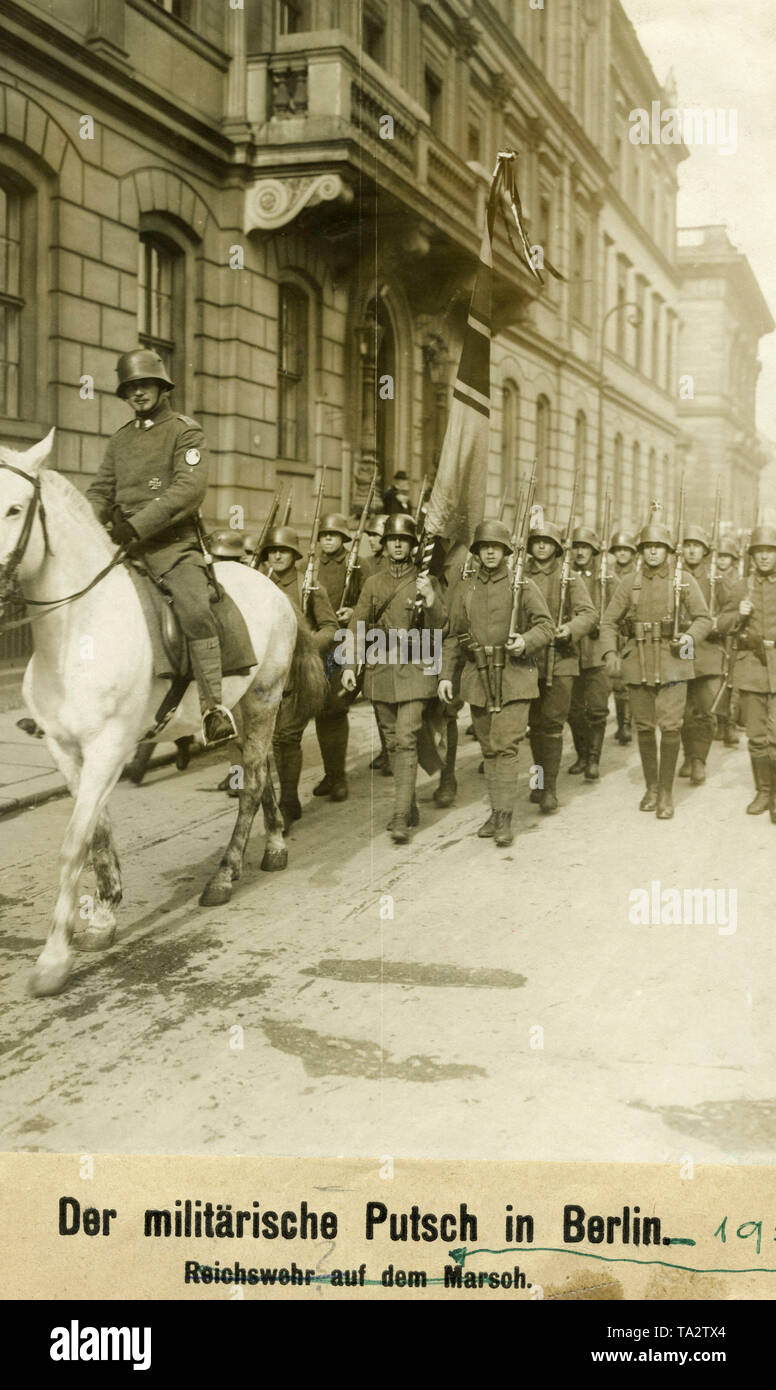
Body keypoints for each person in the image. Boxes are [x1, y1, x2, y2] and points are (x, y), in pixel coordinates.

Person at [86, 348, 235, 746]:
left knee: (194, 607)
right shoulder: (120, 440)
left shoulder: (185, 431)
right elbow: (101, 488)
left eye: (144, 384)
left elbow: (187, 490)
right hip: (126, 549)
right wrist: (87, 521)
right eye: (130, 387)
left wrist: (137, 525)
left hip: (173, 546)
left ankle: (213, 707)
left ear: (161, 385)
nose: (138, 394)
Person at [439, 520, 553, 846]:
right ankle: (496, 810)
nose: (490, 552)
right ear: (476, 552)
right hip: (477, 677)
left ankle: (504, 817)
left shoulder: (523, 586)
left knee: (505, 747)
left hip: (514, 676)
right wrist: (447, 676)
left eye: (496, 547)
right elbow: (451, 637)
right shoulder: (465, 588)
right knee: (489, 748)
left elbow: (546, 626)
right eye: (484, 547)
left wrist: (525, 641)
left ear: (506, 551)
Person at [341, 514, 446, 843]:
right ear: (384, 545)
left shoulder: (425, 580)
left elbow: (442, 626)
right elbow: (358, 623)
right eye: (392, 540)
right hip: (380, 670)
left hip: (415, 669)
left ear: (413, 545)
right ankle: (408, 803)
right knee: (392, 742)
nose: (398, 544)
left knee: (407, 738)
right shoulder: (373, 583)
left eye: (404, 540)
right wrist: (348, 665)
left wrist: (430, 600)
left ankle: (400, 815)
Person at [599, 522, 711, 819]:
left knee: (671, 727)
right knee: (645, 728)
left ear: (667, 551)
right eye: (647, 547)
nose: (652, 552)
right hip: (638, 662)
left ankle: (666, 792)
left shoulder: (683, 580)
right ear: (641, 551)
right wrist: (610, 652)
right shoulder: (629, 584)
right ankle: (650, 787)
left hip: (673, 662)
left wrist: (688, 638)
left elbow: (704, 619)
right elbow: (608, 622)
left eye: (658, 547)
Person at [260, 526, 339, 831]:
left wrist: (302, 645)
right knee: (265, 740)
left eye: (283, 551)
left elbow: (331, 628)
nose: (277, 555)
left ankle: (289, 802)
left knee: (286, 738)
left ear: (294, 556)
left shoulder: (311, 588)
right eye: (272, 551)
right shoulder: (260, 585)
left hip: (298, 674)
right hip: (266, 675)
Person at [525, 519, 596, 814]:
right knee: (534, 725)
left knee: (553, 725)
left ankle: (549, 789)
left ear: (556, 547)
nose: (542, 546)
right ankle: (538, 780)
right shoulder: (520, 574)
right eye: (537, 541)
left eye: (548, 542)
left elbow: (589, 613)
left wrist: (570, 628)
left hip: (561, 659)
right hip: (528, 661)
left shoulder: (569, 577)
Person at [717, 526, 776, 820]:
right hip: (752, 667)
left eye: (770, 550)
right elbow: (721, 623)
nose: (764, 556)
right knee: (756, 736)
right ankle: (763, 791)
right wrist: (738, 614)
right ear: (752, 555)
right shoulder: (742, 586)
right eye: (759, 551)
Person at [677, 524, 725, 785]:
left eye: (698, 546)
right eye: (688, 545)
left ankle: (699, 761)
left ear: (705, 551)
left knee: (705, 711)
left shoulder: (716, 581)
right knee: (682, 711)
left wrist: (719, 623)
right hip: (681, 652)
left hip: (708, 652)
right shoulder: (674, 577)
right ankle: (688, 754)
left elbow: (732, 612)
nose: (692, 550)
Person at [568, 526, 609, 780]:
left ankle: (594, 758)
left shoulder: (605, 579)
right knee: (573, 710)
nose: (581, 551)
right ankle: (582, 755)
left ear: (594, 551)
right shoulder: (568, 577)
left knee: (596, 709)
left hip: (597, 654)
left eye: (585, 547)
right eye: (577, 546)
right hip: (572, 652)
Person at [607, 531, 638, 744]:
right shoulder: (607, 574)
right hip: (612, 629)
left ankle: (627, 723)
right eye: (619, 550)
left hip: (630, 631)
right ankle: (622, 724)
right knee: (616, 679)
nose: (622, 553)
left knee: (629, 678)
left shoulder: (638, 575)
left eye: (626, 550)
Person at [712, 533, 741, 746]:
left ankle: (730, 724)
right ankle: (719, 723)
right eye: (719, 556)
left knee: (732, 680)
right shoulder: (709, 576)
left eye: (726, 556)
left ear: (733, 559)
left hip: (732, 635)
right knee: (717, 679)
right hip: (713, 633)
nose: (722, 560)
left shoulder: (738, 581)